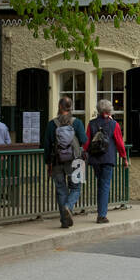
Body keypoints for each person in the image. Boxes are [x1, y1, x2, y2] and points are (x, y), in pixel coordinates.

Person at [45, 96, 87, 228]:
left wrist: (48, 162)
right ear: (71, 108)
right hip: (75, 160)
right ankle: (68, 206)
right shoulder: (77, 123)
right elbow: (84, 140)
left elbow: (46, 144)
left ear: (59, 107)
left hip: (57, 160)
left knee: (61, 190)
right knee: (76, 188)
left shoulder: (52, 124)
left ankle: (64, 221)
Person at [86, 97, 128, 223]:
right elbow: (120, 143)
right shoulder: (114, 124)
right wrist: (124, 157)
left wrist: (84, 155)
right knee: (104, 186)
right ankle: (102, 215)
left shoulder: (91, 123)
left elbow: (86, 142)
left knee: (101, 185)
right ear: (109, 111)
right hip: (108, 158)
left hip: (95, 159)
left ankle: (101, 211)